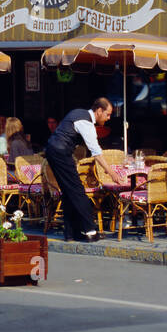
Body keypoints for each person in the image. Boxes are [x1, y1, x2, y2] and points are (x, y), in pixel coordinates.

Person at [45, 98, 114, 242]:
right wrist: (111, 172)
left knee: (69, 193)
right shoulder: (86, 122)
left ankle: (72, 233)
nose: (109, 118)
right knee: (78, 191)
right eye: (107, 114)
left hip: (53, 150)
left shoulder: (78, 112)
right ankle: (90, 231)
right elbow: (96, 151)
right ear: (99, 111)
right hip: (60, 152)